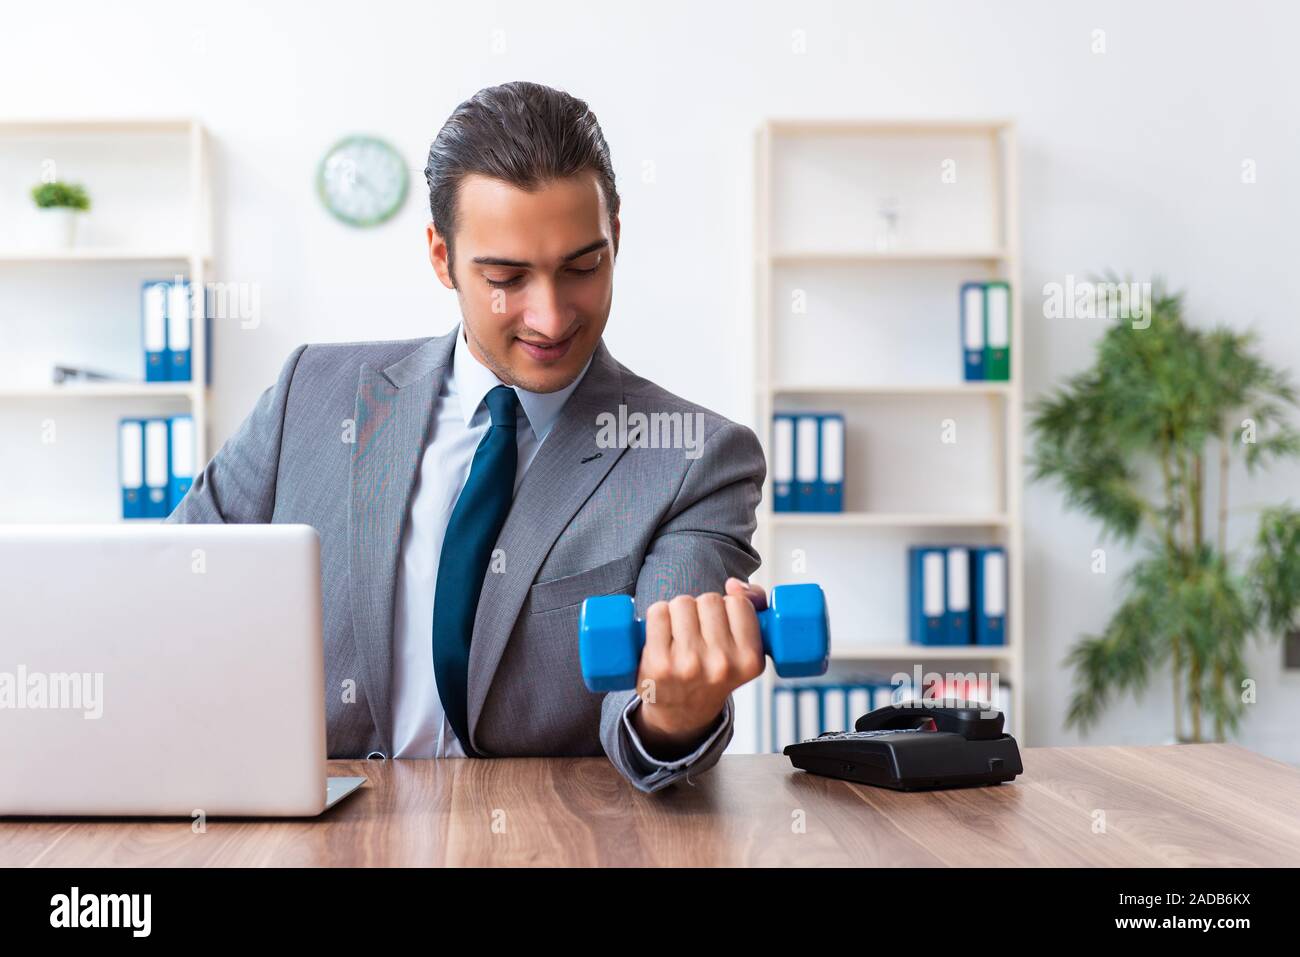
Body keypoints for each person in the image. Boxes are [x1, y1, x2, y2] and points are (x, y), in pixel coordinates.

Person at [169, 80, 767, 793]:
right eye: (506, 277)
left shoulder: (692, 458)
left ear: (616, 239)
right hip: (317, 831)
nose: (550, 317)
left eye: (583, 266)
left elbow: (644, 712)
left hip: (549, 840)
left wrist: (678, 710)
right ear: (440, 256)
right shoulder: (313, 393)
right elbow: (169, 586)